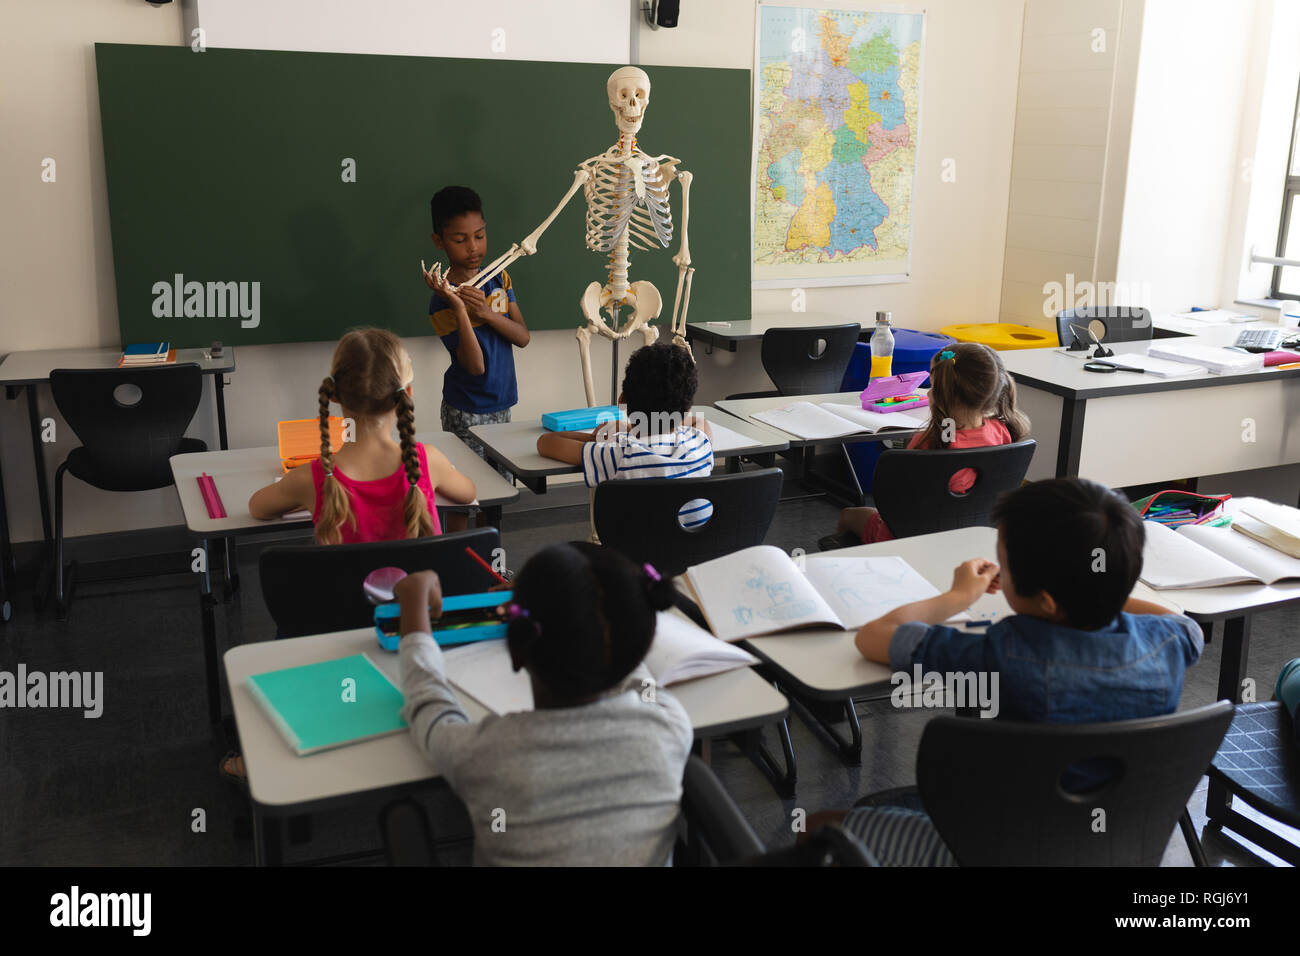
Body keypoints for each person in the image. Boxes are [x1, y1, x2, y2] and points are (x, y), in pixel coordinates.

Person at [824, 478, 1204, 865]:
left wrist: (958, 596)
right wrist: (1099, 587)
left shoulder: (1002, 654)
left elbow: (873, 637)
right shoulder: (1169, 642)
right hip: (1110, 844)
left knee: (829, 828)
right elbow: (1179, 620)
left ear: (1046, 601)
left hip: (989, 847)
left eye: (1004, 564)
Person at [394, 543, 693, 865]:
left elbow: (429, 703)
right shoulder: (667, 725)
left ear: (518, 649)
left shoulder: (485, 752)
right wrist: (587, 615)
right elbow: (640, 679)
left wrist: (414, 611)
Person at [249, 327, 475, 543]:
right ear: (406, 394)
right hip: (420, 583)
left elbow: (257, 508)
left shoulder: (310, 479)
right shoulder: (428, 461)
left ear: (334, 395)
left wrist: (301, 498)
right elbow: (468, 494)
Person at [837, 342, 1030, 544]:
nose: (928, 393)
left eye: (933, 386)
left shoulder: (928, 443)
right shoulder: (1003, 432)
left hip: (905, 535)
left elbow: (896, 501)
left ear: (939, 394)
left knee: (848, 515)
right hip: (969, 533)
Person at [425, 185, 530, 530]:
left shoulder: (499, 276)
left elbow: (522, 336)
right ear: (439, 242)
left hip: (502, 404)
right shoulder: (442, 299)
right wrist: (459, 307)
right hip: (465, 410)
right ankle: (456, 565)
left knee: (496, 497)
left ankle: (491, 567)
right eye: (460, 240)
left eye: (480, 236)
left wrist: (486, 313)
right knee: (462, 498)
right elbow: (474, 365)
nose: (474, 248)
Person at [536, 341, 713, 537]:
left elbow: (546, 443)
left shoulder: (618, 454)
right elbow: (700, 422)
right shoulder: (699, 444)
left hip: (631, 560)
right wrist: (648, 423)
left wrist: (597, 438)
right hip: (691, 557)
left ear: (622, 402)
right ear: (687, 408)